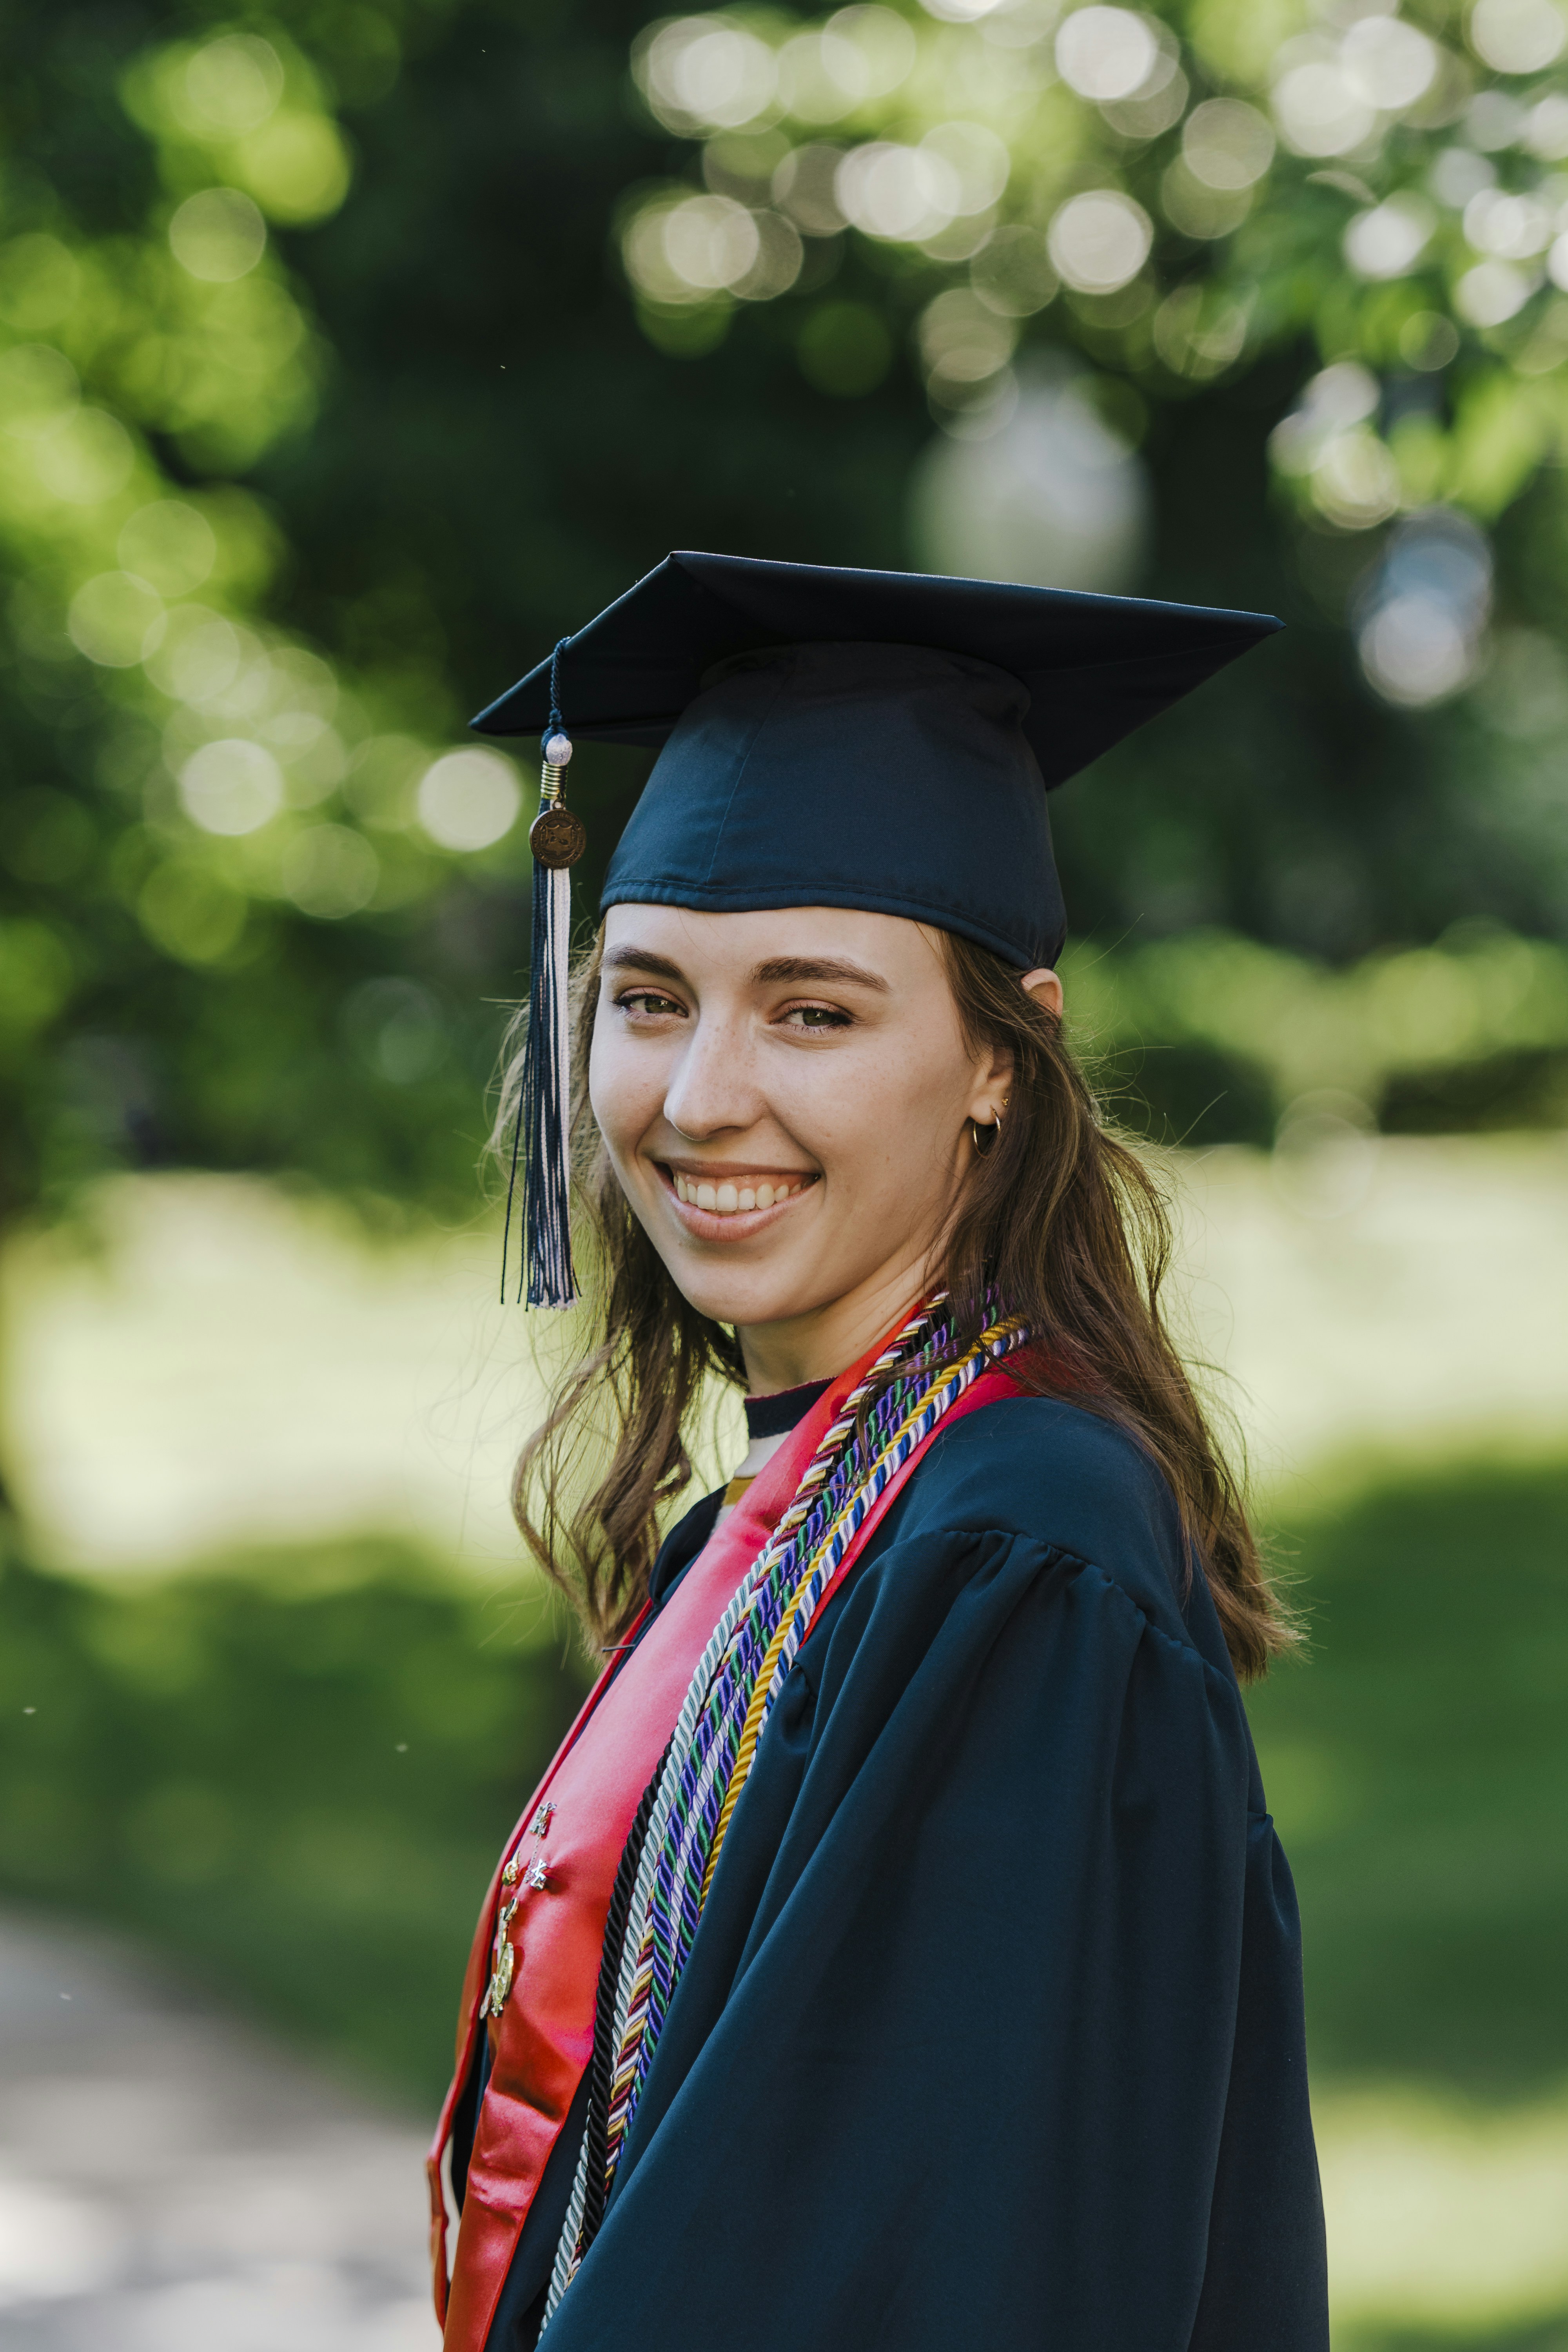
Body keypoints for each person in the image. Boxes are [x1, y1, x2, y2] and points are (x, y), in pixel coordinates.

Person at [426, 554, 1329, 2352]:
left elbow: (891, 2247)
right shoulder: (799, 1515)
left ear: (1005, 1055)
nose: (697, 1101)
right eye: (652, 998)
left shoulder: (1016, 1548)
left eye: (814, 1011)